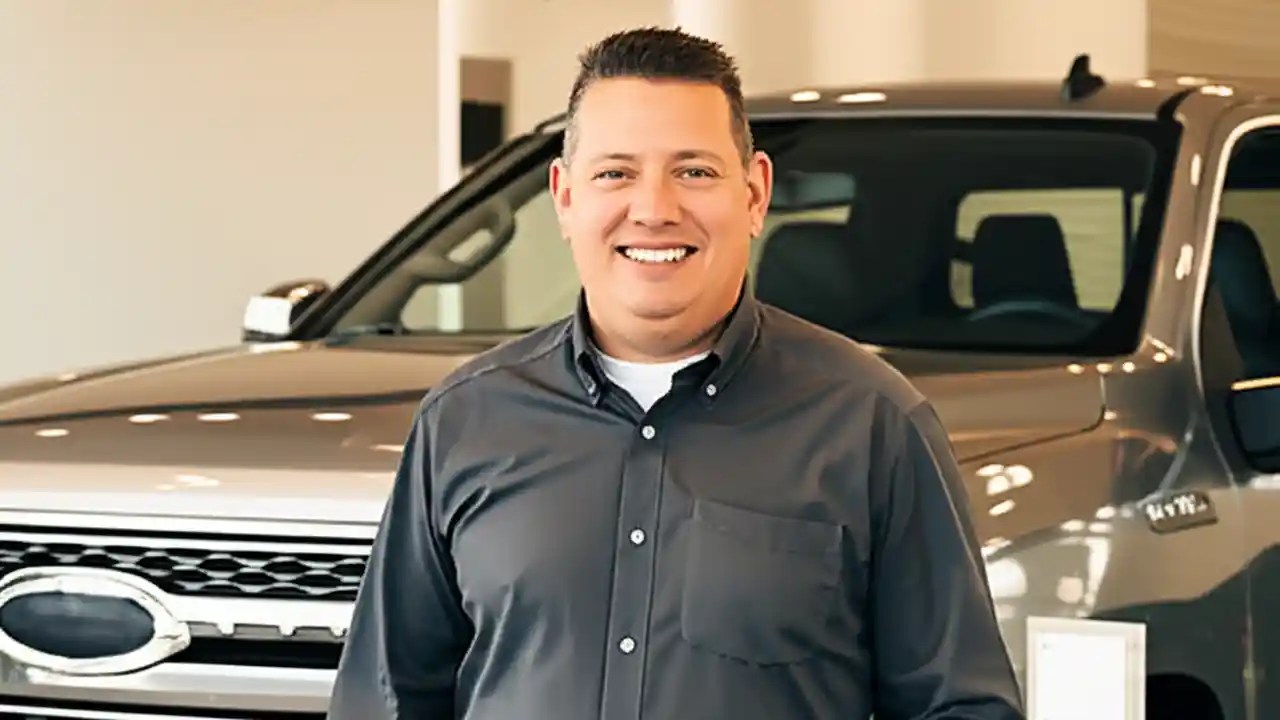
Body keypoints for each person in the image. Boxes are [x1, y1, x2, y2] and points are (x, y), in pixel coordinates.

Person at [328, 26, 1025, 720]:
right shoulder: (464, 419)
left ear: (754, 195)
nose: (655, 210)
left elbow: (959, 707)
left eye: (693, 171)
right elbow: (385, 702)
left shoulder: (872, 424)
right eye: (615, 173)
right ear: (565, 198)